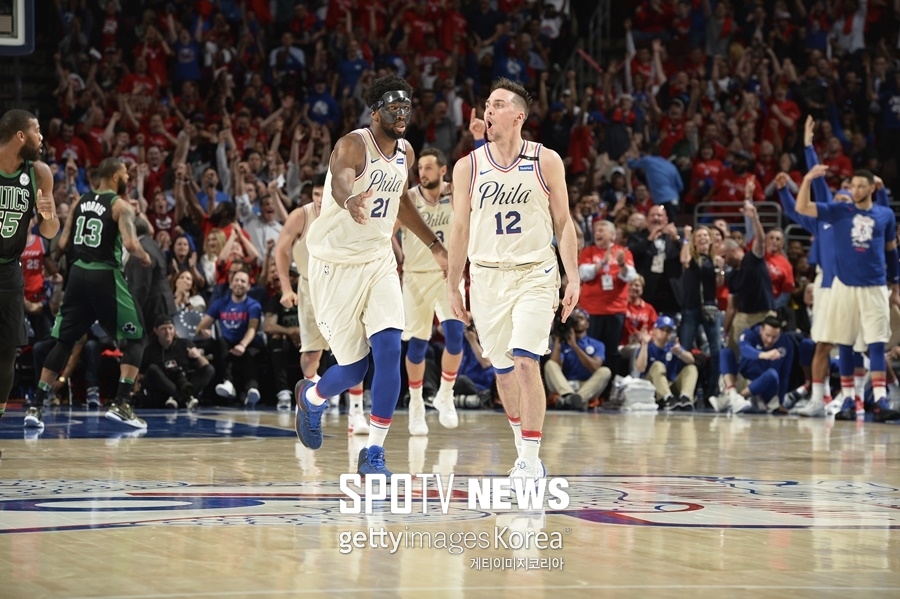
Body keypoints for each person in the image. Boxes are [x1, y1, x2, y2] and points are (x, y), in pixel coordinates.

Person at [289, 75, 448, 477]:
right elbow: (342, 178)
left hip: (378, 260)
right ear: (375, 111)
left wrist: (433, 244)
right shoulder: (353, 144)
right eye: (394, 107)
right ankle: (313, 396)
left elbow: (400, 204)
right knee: (355, 369)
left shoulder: (406, 153)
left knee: (391, 349)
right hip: (333, 264)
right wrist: (350, 199)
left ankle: (373, 454)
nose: (402, 114)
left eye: (407, 107)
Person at [448, 77, 580, 481]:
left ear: (518, 115)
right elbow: (459, 229)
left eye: (498, 104)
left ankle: (529, 457)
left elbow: (564, 221)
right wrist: (453, 283)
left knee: (526, 360)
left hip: (535, 274)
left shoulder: (546, 160)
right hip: (486, 278)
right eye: (487, 104)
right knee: (503, 371)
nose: (489, 110)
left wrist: (571, 275)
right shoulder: (468, 166)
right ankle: (522, 448)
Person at [29, 157, 150, 429]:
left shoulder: (80, 201)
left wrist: (54, 265)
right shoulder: (121, 206)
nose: (129, 178)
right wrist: (144, 256)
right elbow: (131, 243)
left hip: (78, 275)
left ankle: (36, 407)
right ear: (116, 177)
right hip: (105, 275)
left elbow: (61, 242)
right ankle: (122, 403)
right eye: (127, 175)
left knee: (63, 342)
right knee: (137, 337)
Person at [794, 164, 900, 420]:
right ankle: (850, 401)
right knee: (845, 342)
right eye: (852, 186)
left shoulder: (885, 215)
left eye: (861, 186)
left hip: (875, 286)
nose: (855, 190)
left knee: (876, 343)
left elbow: (891, 251)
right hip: (844, 286)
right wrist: (807, 178)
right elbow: (801, 208)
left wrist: (895, 285)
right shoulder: (840, 210)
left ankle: (881, 399)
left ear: (872, 188)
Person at [274, 174, 367, 431]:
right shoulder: (301, 215)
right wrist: (285, 287)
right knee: (312, 352)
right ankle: (310, 399)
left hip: (342, 284)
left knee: (354, 350)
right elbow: (281, 249)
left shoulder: (347, 210)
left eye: (322, 194)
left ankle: (356, 414)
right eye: (315, 195)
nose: (319, 200)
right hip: (310, 286)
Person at [0, 109, 58, 440]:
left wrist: (47, 213)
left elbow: (50, 231)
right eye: (37, 131)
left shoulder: (39, 173)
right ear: (21, 135)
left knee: (6, 352)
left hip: (9, 270)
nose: (42, 138)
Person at [398, 147, 463, 436]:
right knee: (417, 345)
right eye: (419, 168)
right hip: (414, 278)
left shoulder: (457, 193)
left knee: (455, 337)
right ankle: (415, 404)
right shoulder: (409, 198)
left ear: (442, 170)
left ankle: (445, 394)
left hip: (449, 275)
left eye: (427, 168)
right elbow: (385, 232)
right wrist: (394, 256)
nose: (422, 173)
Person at [196, 268, 262, 407]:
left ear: (248, 286)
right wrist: (202, 332)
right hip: (227, 343)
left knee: (251, 352)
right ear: (231, 284)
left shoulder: (253, 305)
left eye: (243, 281)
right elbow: (201, 327)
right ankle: (228, 383)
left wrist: (242, 345)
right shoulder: (220, 303)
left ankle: (252, 388)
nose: (239, 283)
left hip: (247, 342)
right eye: (236, 280)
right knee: (220, 342)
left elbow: (252, 328)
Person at [711, 314, 794, 414]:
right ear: (761, 330)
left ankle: (735, 399)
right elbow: (745, 350)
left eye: (774, 337)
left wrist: (780, 402)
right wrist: (763, 355)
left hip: (765, 387)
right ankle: (733, 395)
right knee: (726, 352)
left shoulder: (787, 344)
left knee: (772, 374)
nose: (770, 340)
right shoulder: (749, 334)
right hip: (744, 379)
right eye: (767, 335)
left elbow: (785, 374)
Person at [140, 314, 213, 409]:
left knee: (209, 370)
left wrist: (198, 356)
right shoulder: (149, 350)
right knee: (152, 370)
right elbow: (140, 375)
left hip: (185, 382)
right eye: (163, 329)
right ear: (156, 330)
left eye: (170, 328)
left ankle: (178, 398)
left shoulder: (185, 343)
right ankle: (184, 398)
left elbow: (206, 365)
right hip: (163, 388)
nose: (167, 332)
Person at [544, 308, 612, 410]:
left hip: (586, 386)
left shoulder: (597, 344)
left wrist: (575, 346)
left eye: (581, 318)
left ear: (587, 324)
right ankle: (570, 396)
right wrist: (558, 340)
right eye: (574, 319)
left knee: (605, 371)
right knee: (550, 364)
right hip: (566, 384)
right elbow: (556, 366)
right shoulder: (563, 343)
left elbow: (595, 367)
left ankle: (576, 398)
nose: (577, 321)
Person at [634, 315, 698, 410]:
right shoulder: (648, 346)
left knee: (691, 368)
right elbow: (640, 368)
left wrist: (680, 352)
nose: (665, 333)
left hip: (670, 384)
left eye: (668, 331)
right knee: (658, 365)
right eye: (662, 330)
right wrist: (644, 345)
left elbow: (691, 360)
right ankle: (666, 398)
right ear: (655, 330)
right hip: (651, 385)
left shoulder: (673, 347)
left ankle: (685, 398)